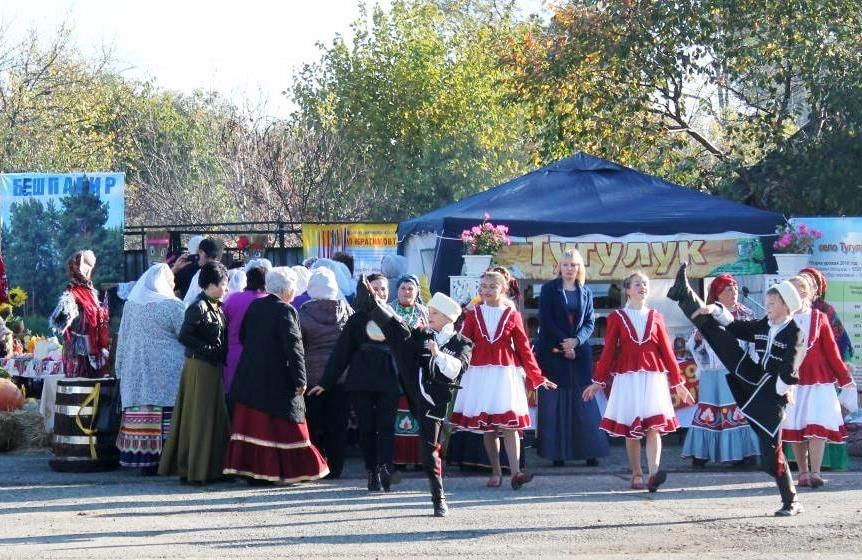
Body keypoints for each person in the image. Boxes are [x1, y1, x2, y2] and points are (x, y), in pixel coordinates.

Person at [667, 263, 805, 515]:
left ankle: (791, 500)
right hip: (753, 376)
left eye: (772, 303)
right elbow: (739, 328)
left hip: (771, 393)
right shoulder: (766, 324)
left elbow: (791, 366)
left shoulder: (795, 332)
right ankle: (684, 295)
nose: (768, 307)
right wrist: (715, 309)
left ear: (786, 305)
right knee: (721, 339)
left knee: (770, 457)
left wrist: (782, 390)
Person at [358, 279, 473, 516]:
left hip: (436, 400)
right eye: (429, 310)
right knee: (398, 330)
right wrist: (379, 303)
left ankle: (438, 496)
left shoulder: (462, 343)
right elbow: (399, 330)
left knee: (428, 450)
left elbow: (457, 369)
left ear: (448, 318)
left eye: (434, 312)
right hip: (412, 388)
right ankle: (371, 303)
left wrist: (437, 353)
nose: (428, 314)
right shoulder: (421, 333)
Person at [583, 271, 694, 492]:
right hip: (627, 378)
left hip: (653, 378)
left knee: (653, 427)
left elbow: (667, 352)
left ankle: (653, 473)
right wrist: (598, 381)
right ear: (627, 289)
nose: (642, 287)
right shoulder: (617, 317)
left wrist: (678, 382)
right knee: (631, 428)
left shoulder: (656, 317)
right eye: (637, 284)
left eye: (645, 283)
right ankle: (636, 473)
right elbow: (608, 353)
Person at [450, 270, 558, 490]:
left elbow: (524, 348)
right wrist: (452, 365)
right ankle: (496, 471)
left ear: (503, 288)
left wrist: (536, 376)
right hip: (480, 374)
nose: (487, 290)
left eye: (492, 286)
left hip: (504, 374)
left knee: (509, 425)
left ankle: (516, 472)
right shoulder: (473, 314)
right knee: (489, 427)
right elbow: (464, 343)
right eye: (483, 286)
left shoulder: (512, 315)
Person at [224, 267, 330, 484]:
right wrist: (300, 380)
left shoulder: (255, 305)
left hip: (250, 375)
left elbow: (243, 336)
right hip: (277, 378)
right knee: (288, 424)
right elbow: (294, 348)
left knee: (255, 426)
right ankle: (294, 470)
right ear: (288, 289)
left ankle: (255, 472)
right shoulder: (286, 310)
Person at [309, 272, 401, 492]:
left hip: (388, 378)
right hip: (362, 379)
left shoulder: (393, 315)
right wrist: (326, 381)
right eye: (376, 288)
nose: (380, 293)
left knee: (386, 427)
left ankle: (386, 467)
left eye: (384, 289)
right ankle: (372, 471)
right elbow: (342, 352)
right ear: (367, 291)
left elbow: (406, 350)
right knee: (367, 427)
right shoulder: (357, 318)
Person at [159, 261, 231, 485]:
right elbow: (185, 336)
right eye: (223, 284)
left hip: (210, 367)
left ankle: (214, 469)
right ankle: (195, 470)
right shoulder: (197, 306)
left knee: (215, 418)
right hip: (199, 366)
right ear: (211, 284)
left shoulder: (215, 306)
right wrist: (209, 350)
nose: (226, 289)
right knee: (199, 419)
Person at [535, 249, 608, 467]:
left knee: (583, 401)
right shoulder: (549, 289)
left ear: (579, 268)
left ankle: (590, 451)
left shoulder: (586, 292)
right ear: (559, 267)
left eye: (573, 265)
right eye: (566, 264)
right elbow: (545, 319)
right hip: (554, 352)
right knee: (555, 403)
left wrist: (576, 342)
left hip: (579, 354)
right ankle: (557, 454)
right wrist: (564, 343)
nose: (569, 269)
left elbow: (589, 323)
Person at [782, 275, 857, 488]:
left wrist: (844, 378)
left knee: (817, 425)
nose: (799, 291)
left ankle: (815, 471)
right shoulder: (784, 317)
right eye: (795, 288)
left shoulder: (819, 317)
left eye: (803, 288)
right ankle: (803, 472)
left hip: (818, 380)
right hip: (793, 380)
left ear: (811, 292)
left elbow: (832, 351)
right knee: (797, 426)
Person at [682, 274, 761, 467]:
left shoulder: (746, 314)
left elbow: (755, 340)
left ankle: (744, 453)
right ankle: (702, 453)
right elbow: (693, 342)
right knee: (709, 409)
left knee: (737, 410)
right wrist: (698, 339)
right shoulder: (707, 315)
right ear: (717, 294)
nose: (733, 292)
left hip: (736, 370)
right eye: (728, 289)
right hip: (713, 372)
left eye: (734, 288)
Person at [114, 264, 185, 474]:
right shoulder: (173, 305)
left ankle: (141, 459)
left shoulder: (130, 305)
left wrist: (119, 369)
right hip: (167, 372)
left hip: (135, 371)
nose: (173, 285)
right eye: (171, 281)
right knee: (168, 410)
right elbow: (186, 334)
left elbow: (122, 337)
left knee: (142, 404)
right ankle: (167, 459)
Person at [300, 268, 353, 479]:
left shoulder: (302, 313)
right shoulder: (347, 311)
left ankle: (317, 464)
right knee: (338, 423)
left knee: (314, 422)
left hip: (312, 375)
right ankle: (336, 467)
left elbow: (300, 345)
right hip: (341, 376)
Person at [49, 250, 111, 378]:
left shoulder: (91, 293)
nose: (89, 272)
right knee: (79, 392)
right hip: (79, 355)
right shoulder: (72, 294)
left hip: (95, 353)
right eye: (88, 268)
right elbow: (58, 322)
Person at [390, 274, 430, 469]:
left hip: (418, 370)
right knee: (398, 411)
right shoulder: (389, 310)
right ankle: (398, 459)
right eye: (403, 288)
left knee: (419, 413)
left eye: (410, 289)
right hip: (394, 370)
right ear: (396, 290)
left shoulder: (424, 312)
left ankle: (419, 458)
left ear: (416, 292)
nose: (406, 292)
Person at [222, 259, 272, 403]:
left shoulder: (232, 299)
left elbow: (223, 324)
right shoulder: (269, 301)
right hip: (261, 356)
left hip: (233, 355)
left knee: (233, 400)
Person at [800, 267, 854, 361]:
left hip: (821, 367)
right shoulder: (788, 307)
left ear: (817, 289)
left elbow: (841, 344)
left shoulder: (826, 311)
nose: (802, 289)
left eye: (807, 285)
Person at [182, 238, 220, 307]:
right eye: (207, 257)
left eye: (213, 258)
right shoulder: (189, 270)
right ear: (199, 252)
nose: (210, 261)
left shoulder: (217, 271)